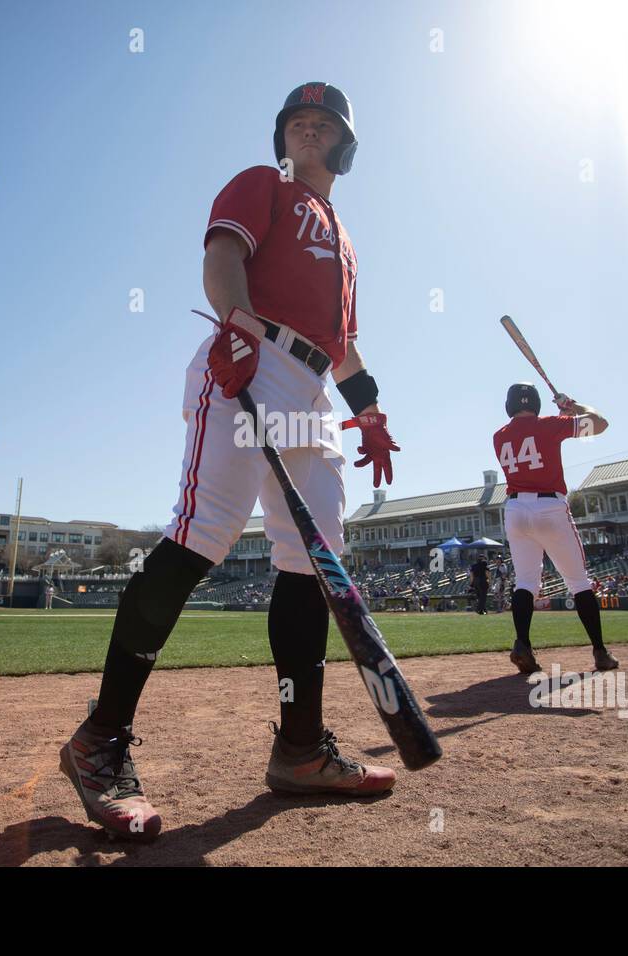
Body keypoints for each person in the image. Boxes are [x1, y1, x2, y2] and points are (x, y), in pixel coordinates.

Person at [59, 83, 400, 843]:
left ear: (348, 145)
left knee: (315, 562)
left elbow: (343, 343)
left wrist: (369, 410)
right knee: (201, 538)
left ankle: (300, 749)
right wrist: (238, 327)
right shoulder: (264, 185)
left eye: (325, 123)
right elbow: (223, 258)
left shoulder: (343, 236)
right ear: (283, 137)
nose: (308, 130)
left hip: (313, 386)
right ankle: (97, 743)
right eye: (297, 122)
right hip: (255, 359)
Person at [494, 383, 618, 674]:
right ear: (536, 403)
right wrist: (572, 407)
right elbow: (600, 424)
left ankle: (522, 643)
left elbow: (529, 434)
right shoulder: (550, 425)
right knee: (578, 582)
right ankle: (600, 652)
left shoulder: (499, 435)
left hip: (514, 509)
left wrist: (563, 416)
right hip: (550, 506)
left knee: (525, 582)